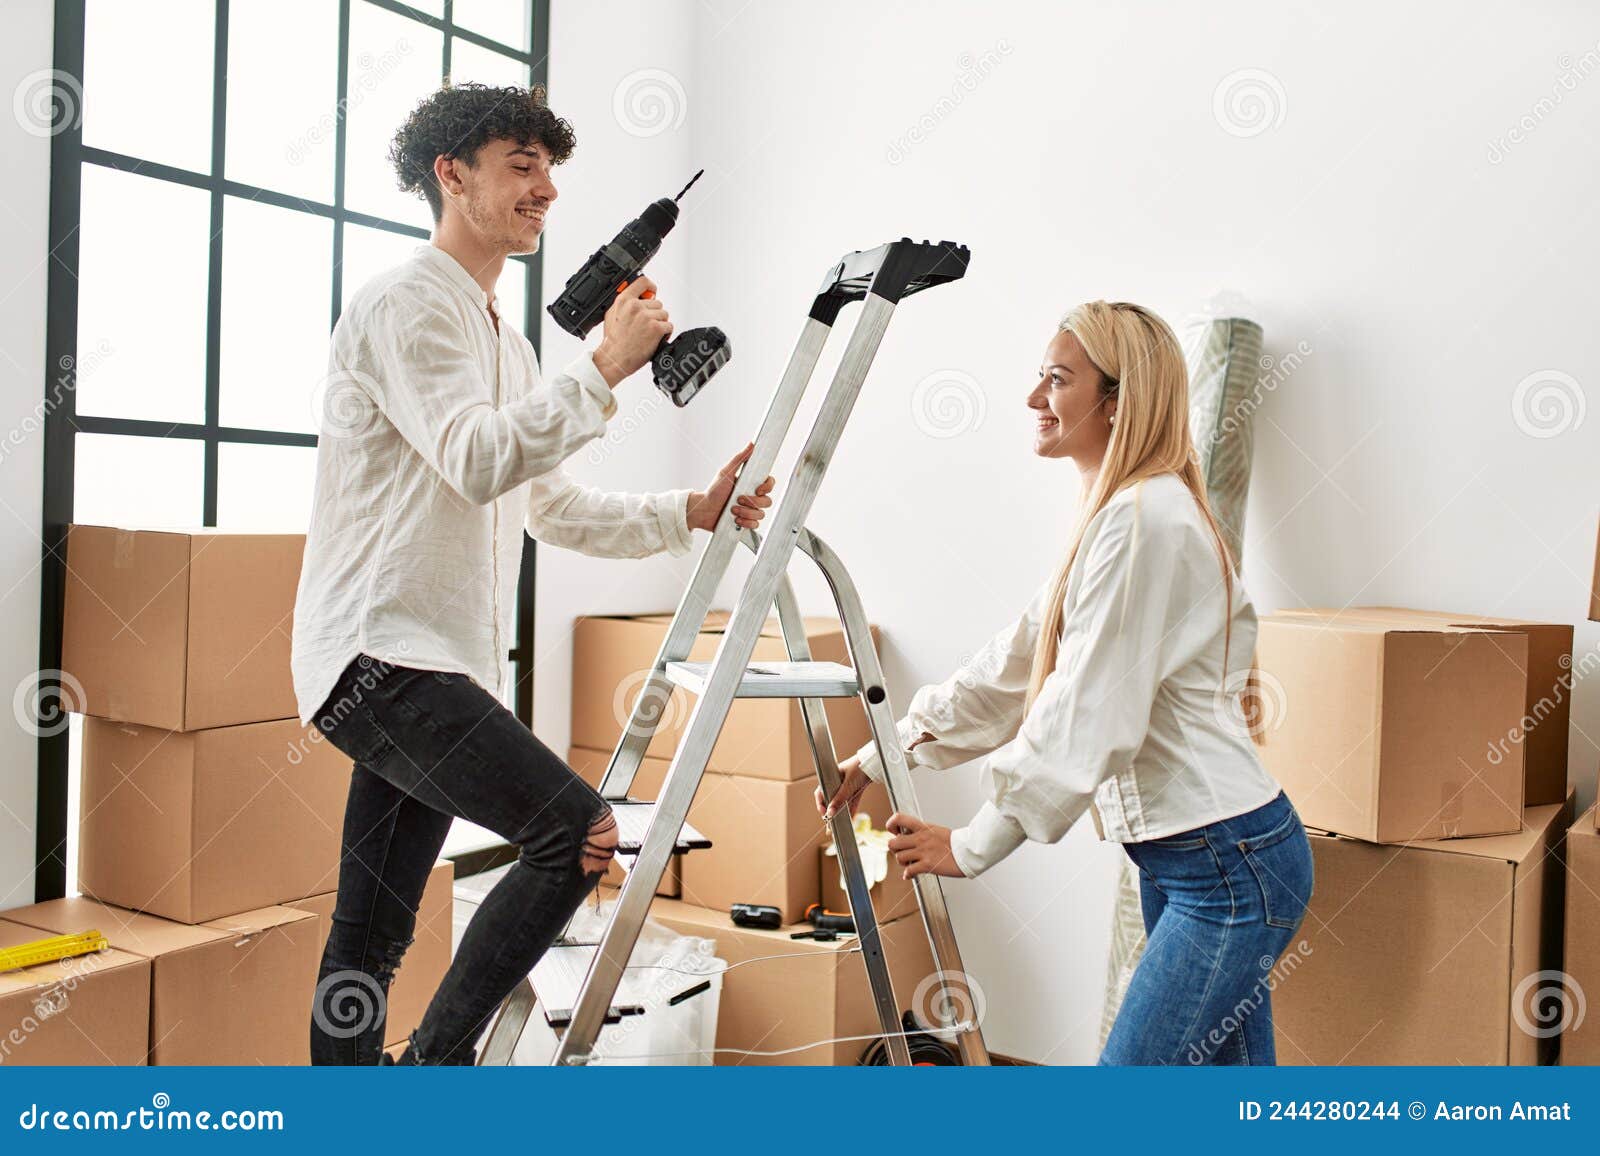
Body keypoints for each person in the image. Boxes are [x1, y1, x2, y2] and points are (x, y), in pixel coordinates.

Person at [292, 83, 774, 1066]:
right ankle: (435, 1071)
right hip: (382, 658)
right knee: (578, 834)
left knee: (373, 931)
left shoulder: (503, 342)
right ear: (452, 173)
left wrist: (689, 510)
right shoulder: (404, 304)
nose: (545, 188)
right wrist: (601, 370)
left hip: (431, 666)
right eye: (521, 163)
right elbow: (474, 456)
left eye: (550, 170)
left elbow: (545, 504)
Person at [819, 300, 1313, 1065]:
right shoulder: (1116, 514)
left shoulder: (1145, 522)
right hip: (1204, 861)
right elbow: (1022, 660)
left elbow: (1084, 711)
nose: (1032, 399)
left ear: (1117, 402)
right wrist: (894, 747)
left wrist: (973, 843)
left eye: (1057, 379)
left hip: (1226, 868)